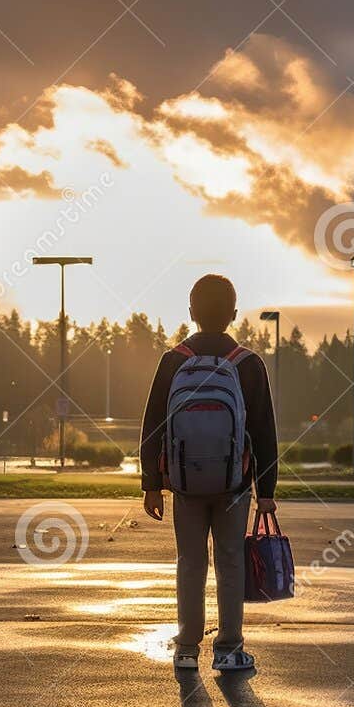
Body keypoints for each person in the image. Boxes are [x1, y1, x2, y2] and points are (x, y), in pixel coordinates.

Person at [140, 274, 277, 672]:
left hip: (185, 484)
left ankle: (186, 650)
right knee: (231, 561)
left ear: (191, 313)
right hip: (235, 483)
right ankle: (229, 650)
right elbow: (265, 431)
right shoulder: (249, 364)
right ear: (234, 315)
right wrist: (266, 489)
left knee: (190, 562)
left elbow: (152, 426)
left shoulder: (173, 361)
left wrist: (152, 485)